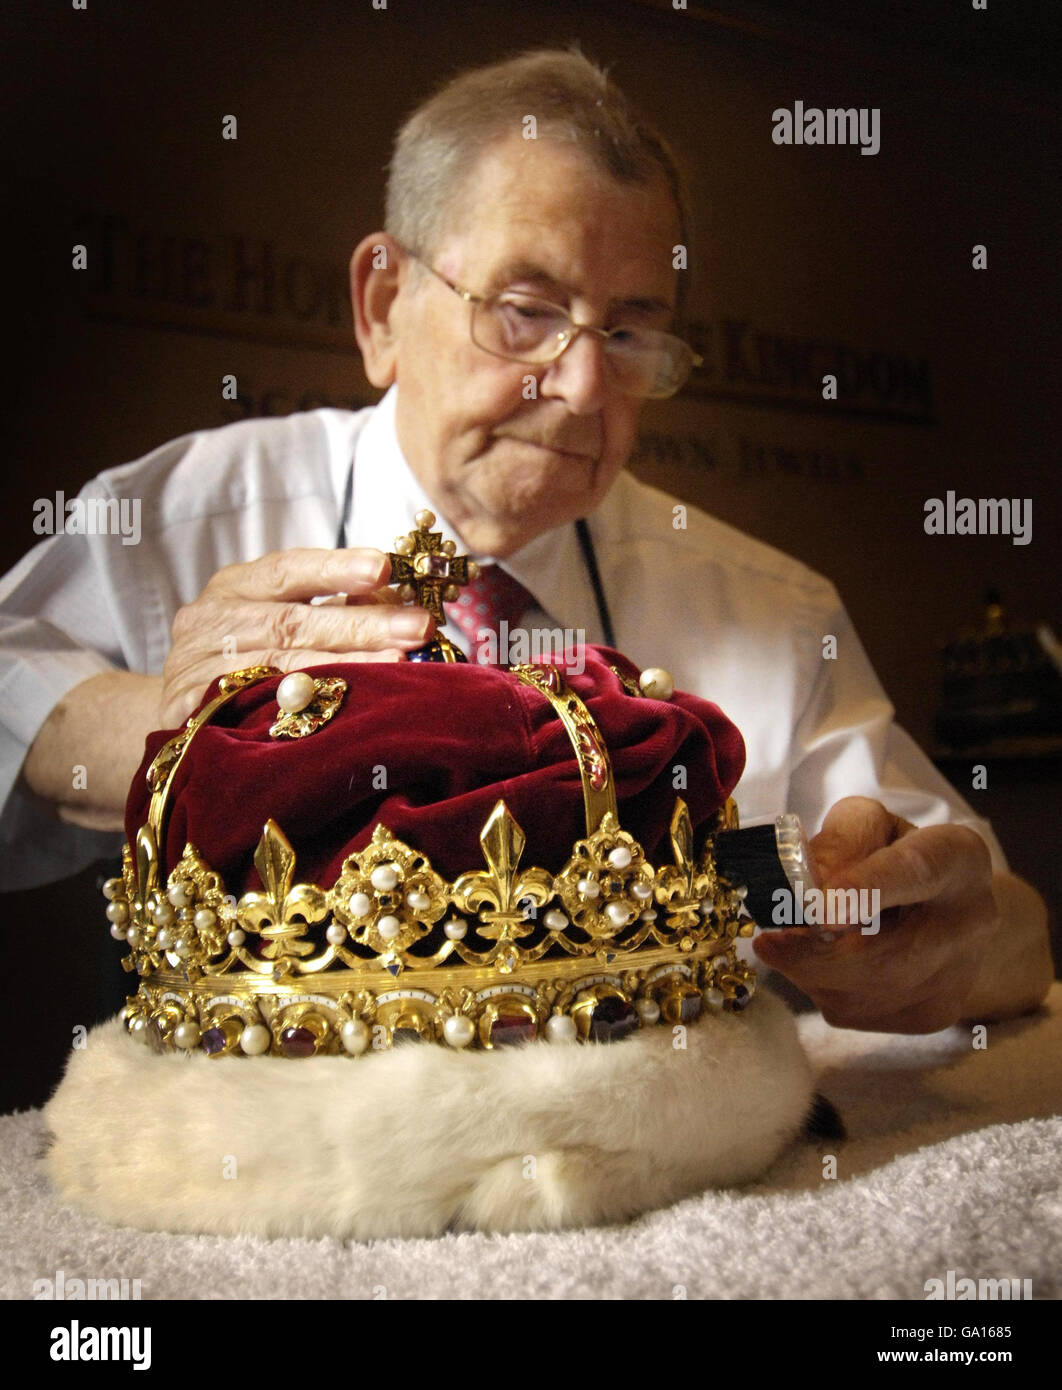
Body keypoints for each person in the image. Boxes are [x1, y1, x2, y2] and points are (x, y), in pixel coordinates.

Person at [0, 50, 1051, 1033]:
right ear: (382, 305)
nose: (586, 386)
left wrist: (948, 946)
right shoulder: (184, 521)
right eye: (524, 309)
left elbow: (1002, 928)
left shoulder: (775, 614)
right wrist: (182, 734)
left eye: (631, 332)